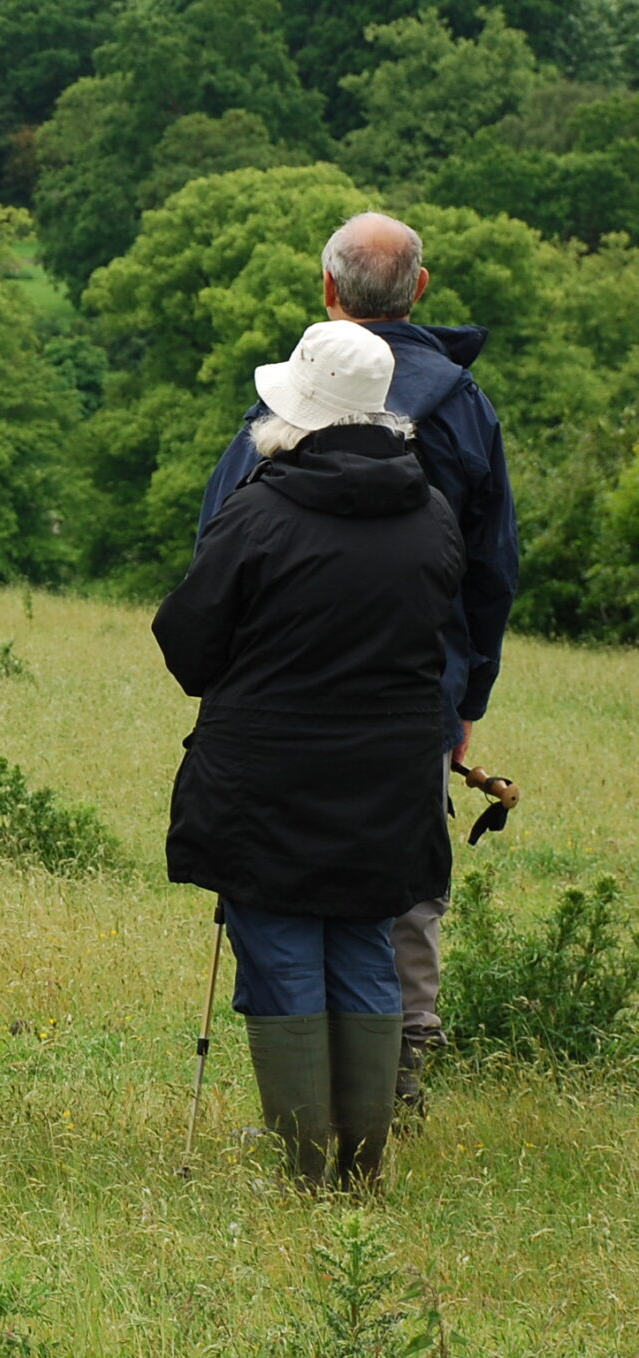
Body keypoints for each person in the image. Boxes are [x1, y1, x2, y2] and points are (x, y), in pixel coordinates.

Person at [195, 211, 518, 1119]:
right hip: (414, 696)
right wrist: (466, 697)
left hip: (277, 701)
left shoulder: (284, 407)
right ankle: (392, 1087)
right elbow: (493, 570)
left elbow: (212, 552)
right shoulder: (464, 407)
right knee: (394, 887)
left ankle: (307, 1120)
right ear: (420, 290)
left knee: (279, 884)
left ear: (327, 290)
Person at [157, 319, 462, 1190]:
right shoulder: (434, 517)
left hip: (268, 779)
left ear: (297, 412)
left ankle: (304, 1168)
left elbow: (189, 646)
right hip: (391, 780)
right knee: (366, 942)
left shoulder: (257, 511)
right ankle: (360, 1168)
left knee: (283, 944)